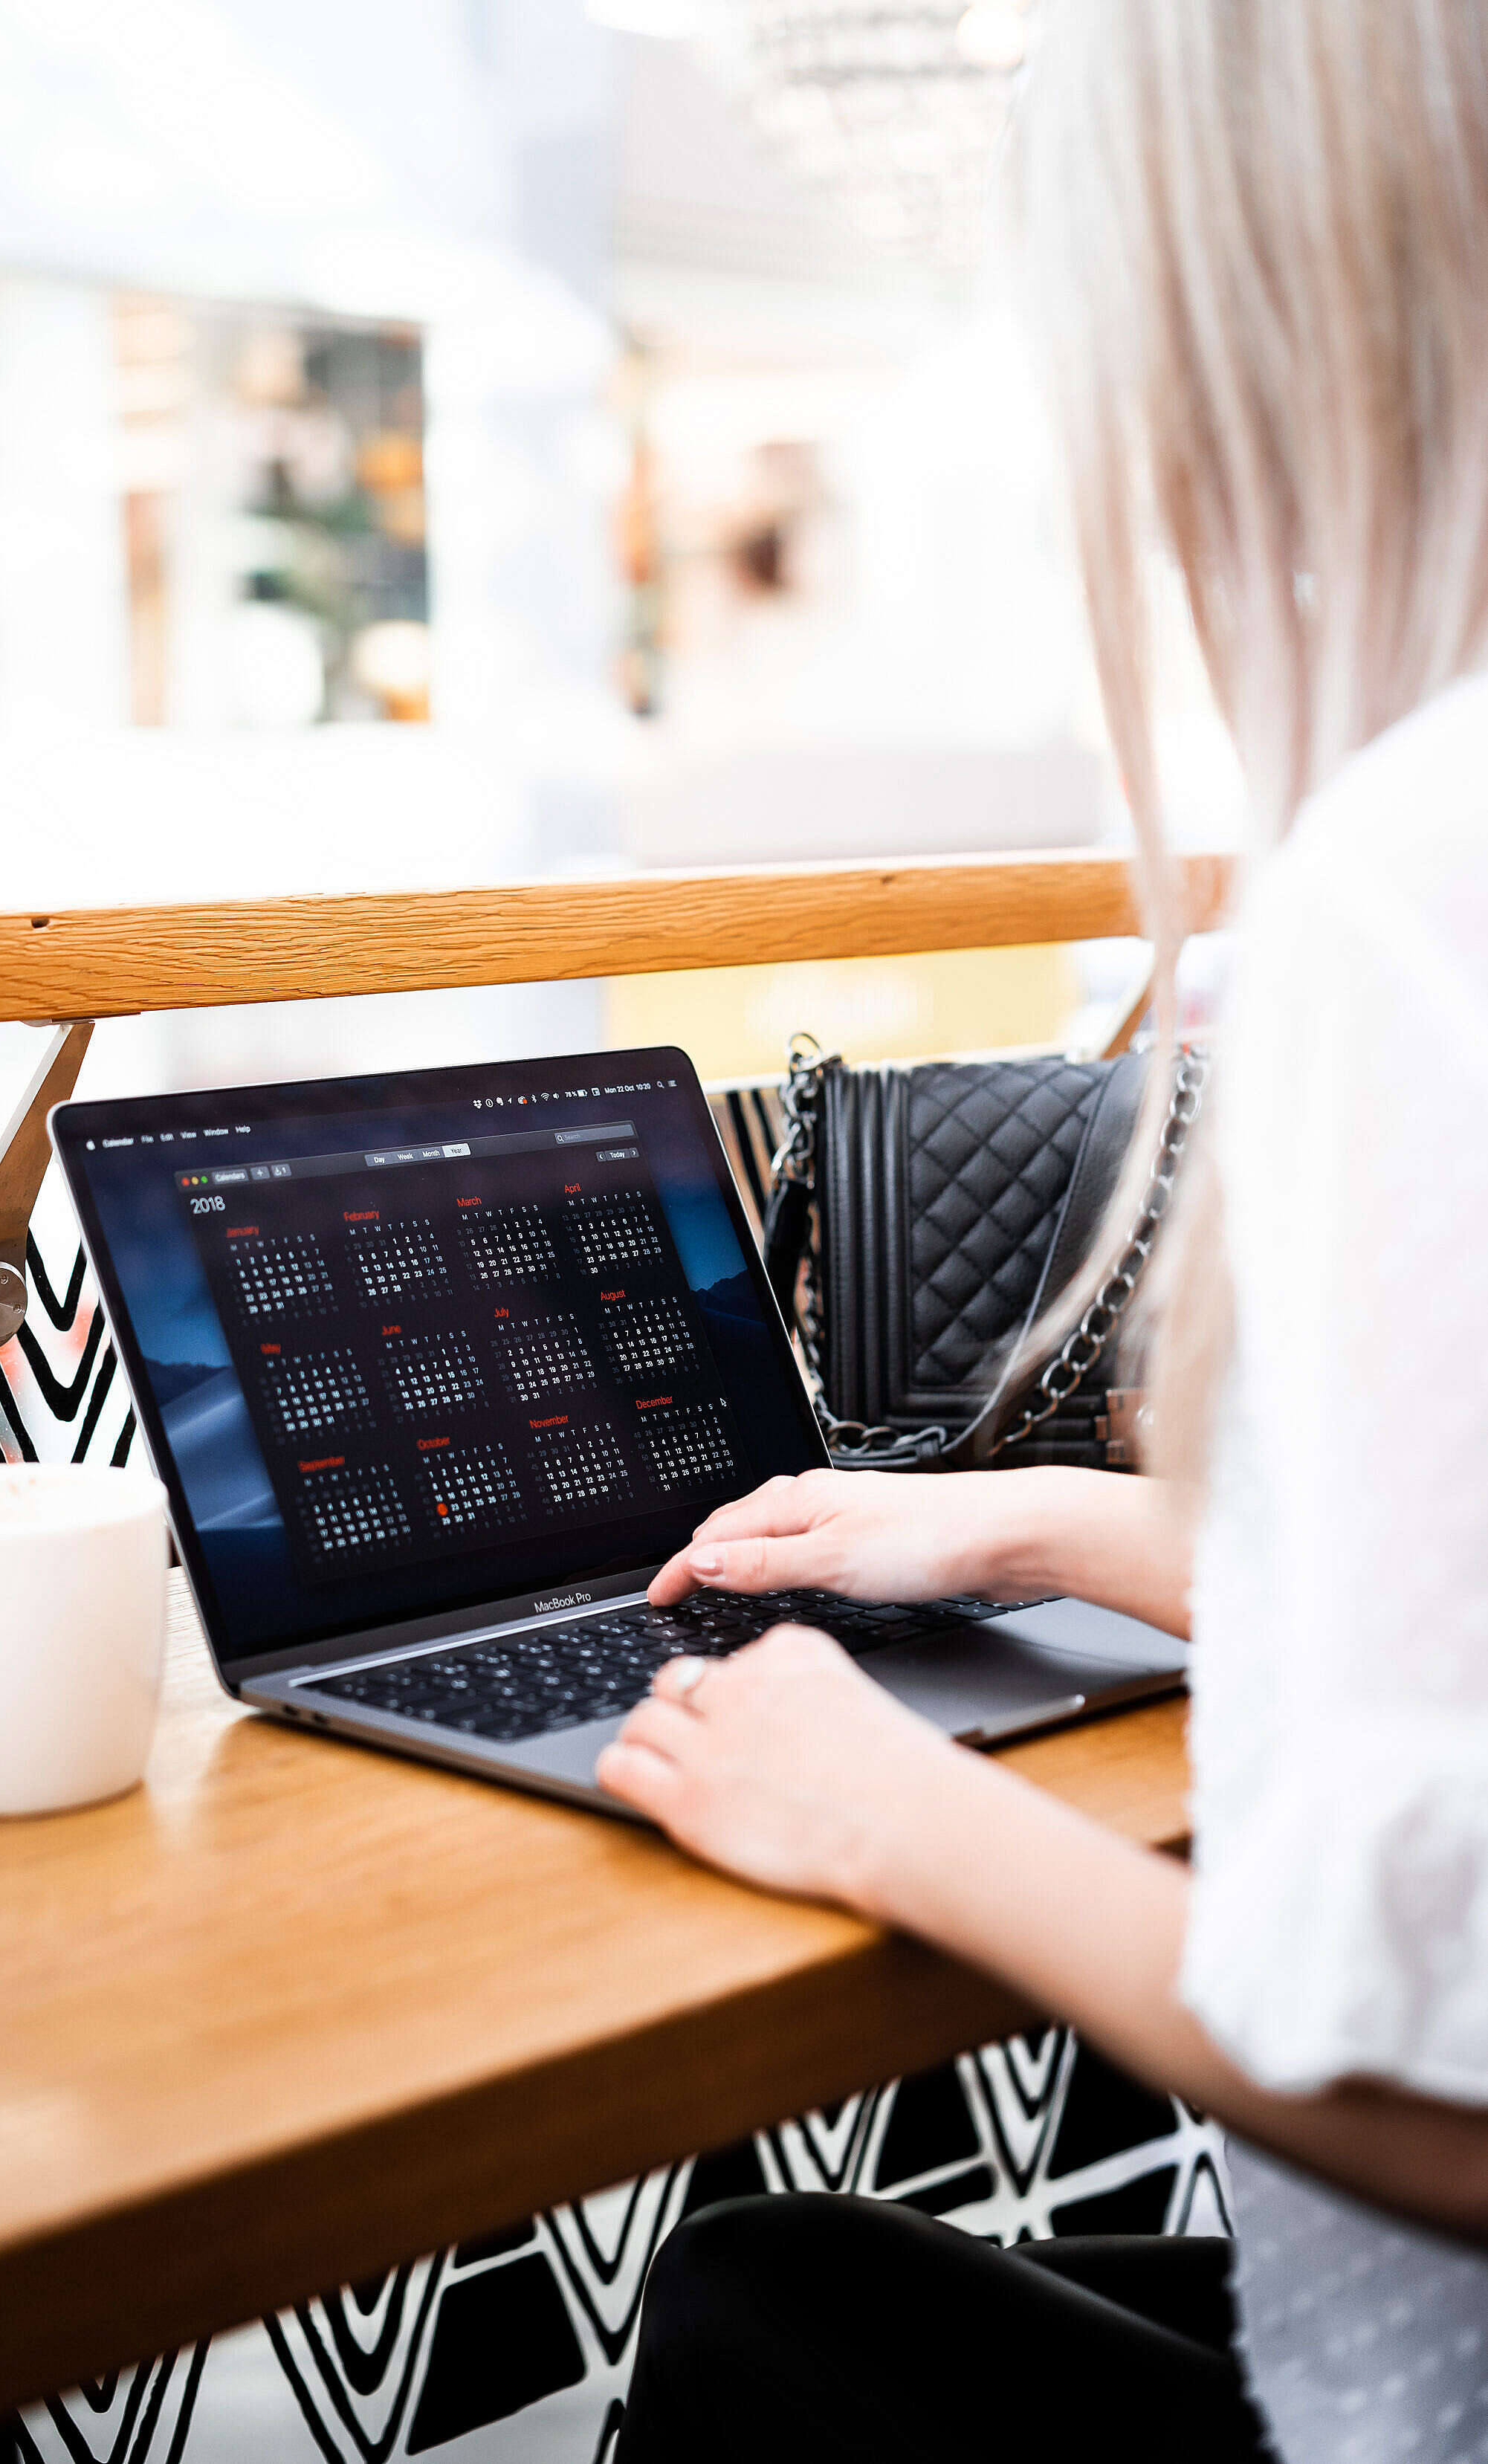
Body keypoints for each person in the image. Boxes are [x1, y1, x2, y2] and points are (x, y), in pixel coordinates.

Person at [598, 5, 1488, 2458]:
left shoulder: (1418, 882)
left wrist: (893, 1810)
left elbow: (1437, 2095)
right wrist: (1063, 1522)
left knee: (767, 2304)